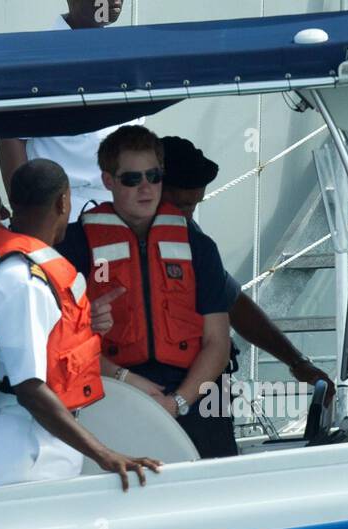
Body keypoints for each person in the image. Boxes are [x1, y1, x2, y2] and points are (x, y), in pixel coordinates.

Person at [0, 159, 159, 490]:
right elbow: (30, 389)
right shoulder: (22, 283)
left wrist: (87, 323)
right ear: (63, 202)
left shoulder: (30, 274)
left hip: (44, 441)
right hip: (23, 448)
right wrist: (104, 454)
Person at [57, 125, 237, 459]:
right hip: (112, 391)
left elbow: (217, 342)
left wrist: (178, 402)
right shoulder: (74, 246)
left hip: (193, 395)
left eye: (154, 177)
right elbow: (62, 344)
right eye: (132, 179)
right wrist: (126, 381)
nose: (146, 188)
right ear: (108, 181)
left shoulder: (199, 247)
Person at [160, 136, 336, 403]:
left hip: (200, 390)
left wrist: (297, 363)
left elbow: (234, 304)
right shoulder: (101, 243)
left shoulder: (193, 241)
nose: (187, 216)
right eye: (181, 205)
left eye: (194, 206)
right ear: (149, 187)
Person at [0, 0, 138, 218]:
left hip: (123, 213)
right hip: (61, 215)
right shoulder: (36, 56)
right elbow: (10, 138)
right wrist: (28, 216)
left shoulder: (130, 54)